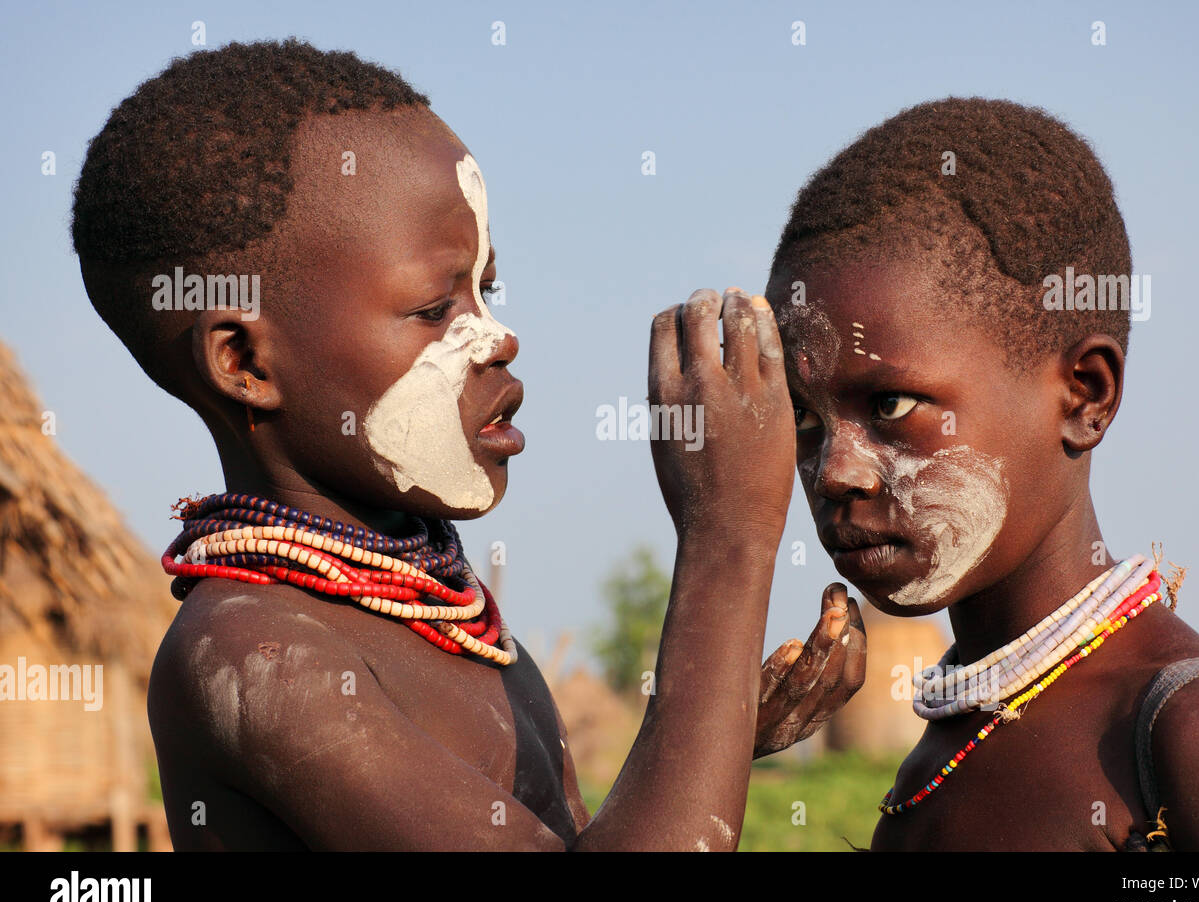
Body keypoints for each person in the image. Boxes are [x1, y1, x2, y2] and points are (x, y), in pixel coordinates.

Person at [71, 38, 866, 850]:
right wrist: (727, 541)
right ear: (243, 361)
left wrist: (720, 727)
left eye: (487, 289)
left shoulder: (456, 618)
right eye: (432, 309)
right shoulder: (255, 655)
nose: (497, 337)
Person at [763, 96, 1199, 850]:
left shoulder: (1187, 724)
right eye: (807, 418)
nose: (835, 472)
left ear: (1084, 394)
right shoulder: (941, 751)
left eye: (891, 403)